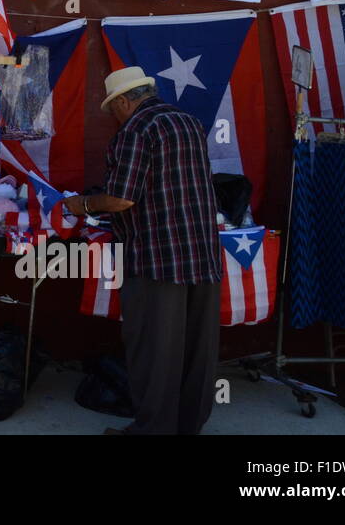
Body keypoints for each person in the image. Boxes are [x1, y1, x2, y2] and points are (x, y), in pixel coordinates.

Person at [63, 67, 222, 435]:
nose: (113, 116)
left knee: (155, 351)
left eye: (112, 108)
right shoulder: (188, 122)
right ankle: (188, 425)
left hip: (157, 257)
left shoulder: (135, 129)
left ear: (123, 100)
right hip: (202, 252)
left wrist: (83, 205)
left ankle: (154, 430)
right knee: (196, 350)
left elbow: (120, 199)